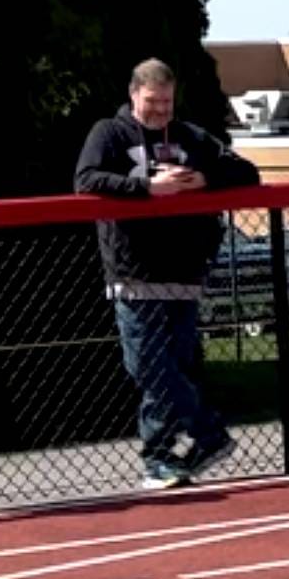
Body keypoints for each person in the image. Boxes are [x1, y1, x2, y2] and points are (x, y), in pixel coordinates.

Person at [75, 58, 260, 489]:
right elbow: (86, 179)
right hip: (133, 270)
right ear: (134, 95)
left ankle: (159, 459)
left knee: (172, 367)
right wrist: (147, 188)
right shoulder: (109, 133)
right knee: (147, 366)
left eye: (167, 102)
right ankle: (207, 434)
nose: (160, 110)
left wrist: (202, 179)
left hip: (184, 271)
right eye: (152, 101)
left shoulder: (191, 136)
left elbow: (246, 172)